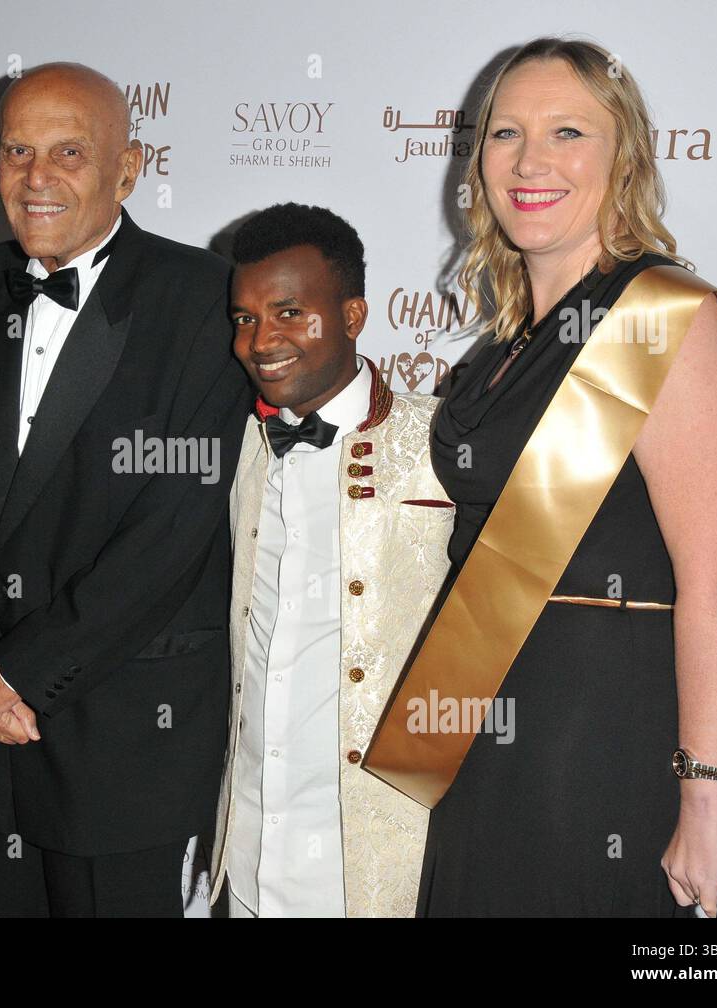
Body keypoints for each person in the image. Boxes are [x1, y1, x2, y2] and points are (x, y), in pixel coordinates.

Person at [384, 37, 717, 916]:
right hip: (480, 720)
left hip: (592, 735)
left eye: (567, 133)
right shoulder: (501, 348)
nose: (530, 161)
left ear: (623, 154)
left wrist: (706, 800)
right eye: (505, 134)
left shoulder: (661, 313)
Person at [0, 62, 249, 917]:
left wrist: (18, 673)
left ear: (129, 168)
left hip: (130, 730)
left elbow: (172, 532)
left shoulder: (206, 297)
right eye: (16, 151)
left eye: (69, 151)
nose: (37, 178)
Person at [209, 204, 454, 917]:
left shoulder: (442, 437)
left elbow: (560, 529)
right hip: (251, 855)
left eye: (290, 311)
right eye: (245, 318)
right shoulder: (233, 442)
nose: (262, 340)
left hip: (382, 864)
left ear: (352, 315)